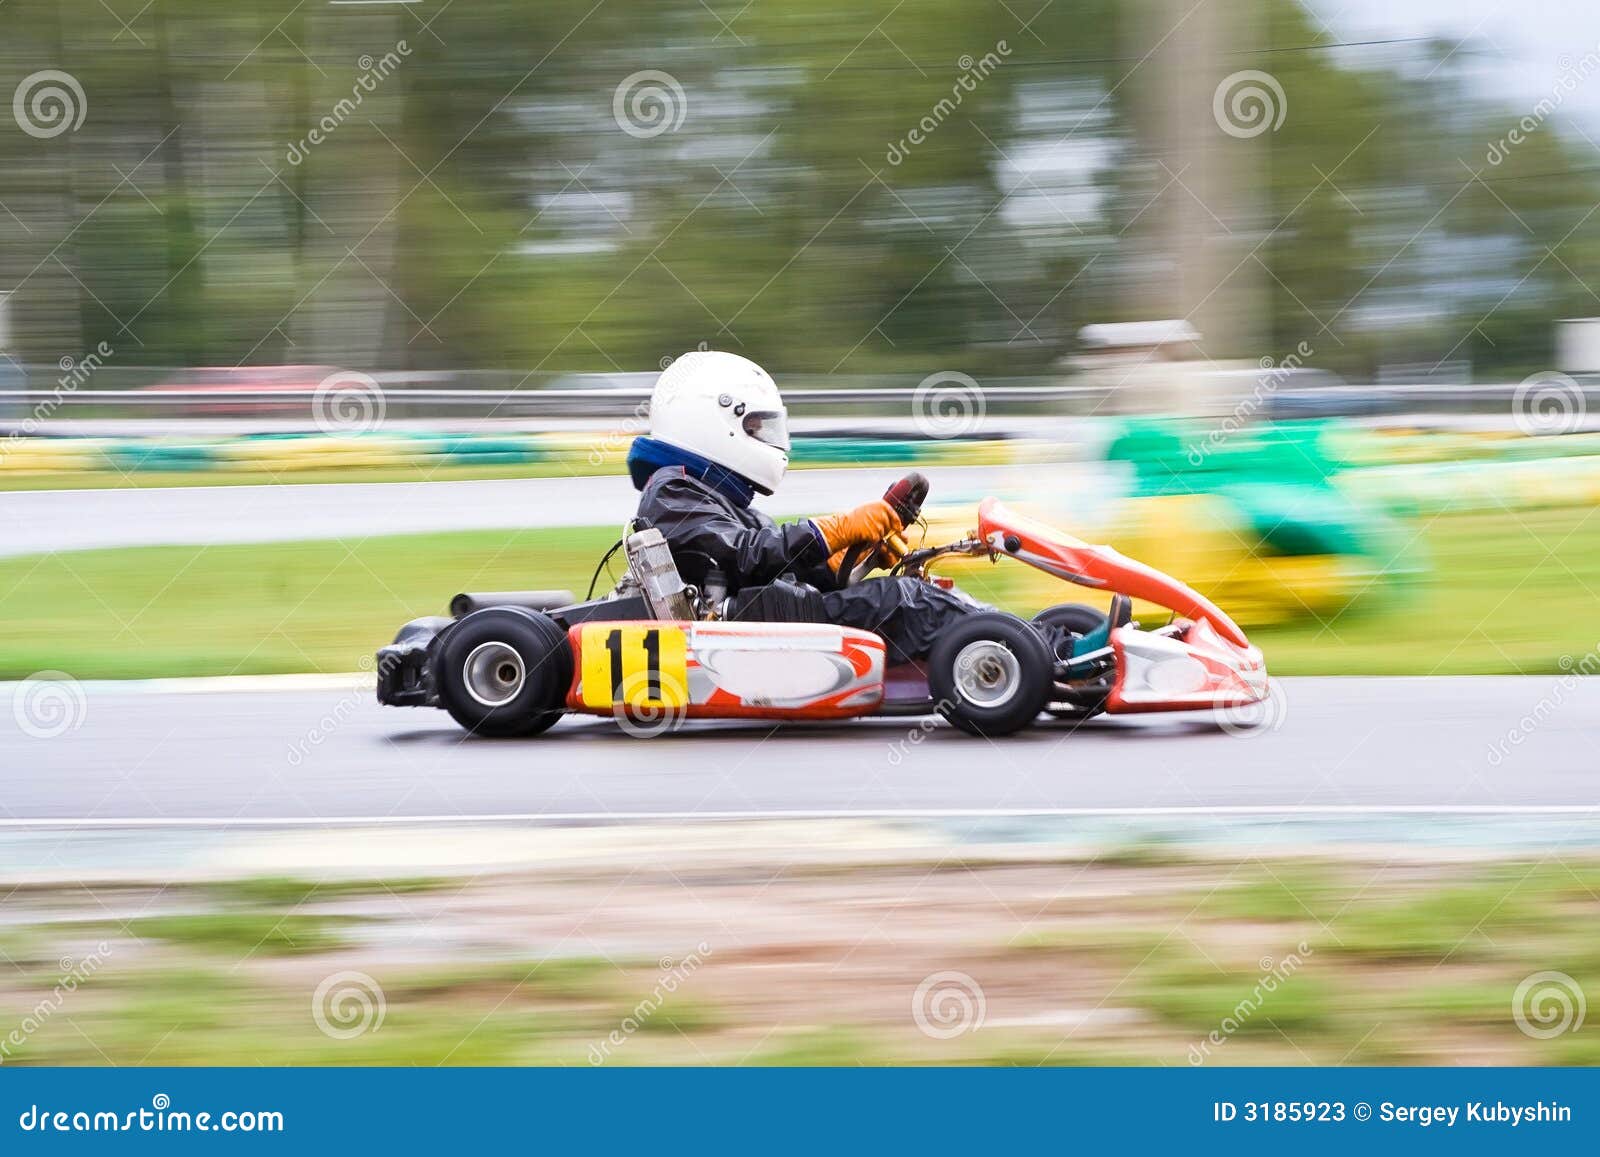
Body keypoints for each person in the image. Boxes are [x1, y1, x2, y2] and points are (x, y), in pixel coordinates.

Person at [626, 350, 983, 664]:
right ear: (709, 423)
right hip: (745, 627)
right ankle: (1006, 648)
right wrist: (835, 529)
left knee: (923, 591)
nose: (768, 436)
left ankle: (1010, 640)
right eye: (755, 426)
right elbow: (744, 558)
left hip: (768, 612)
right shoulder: (672, 493)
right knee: (905, 601)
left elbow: (772, 566)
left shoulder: (714, 495)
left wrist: (839, 561)